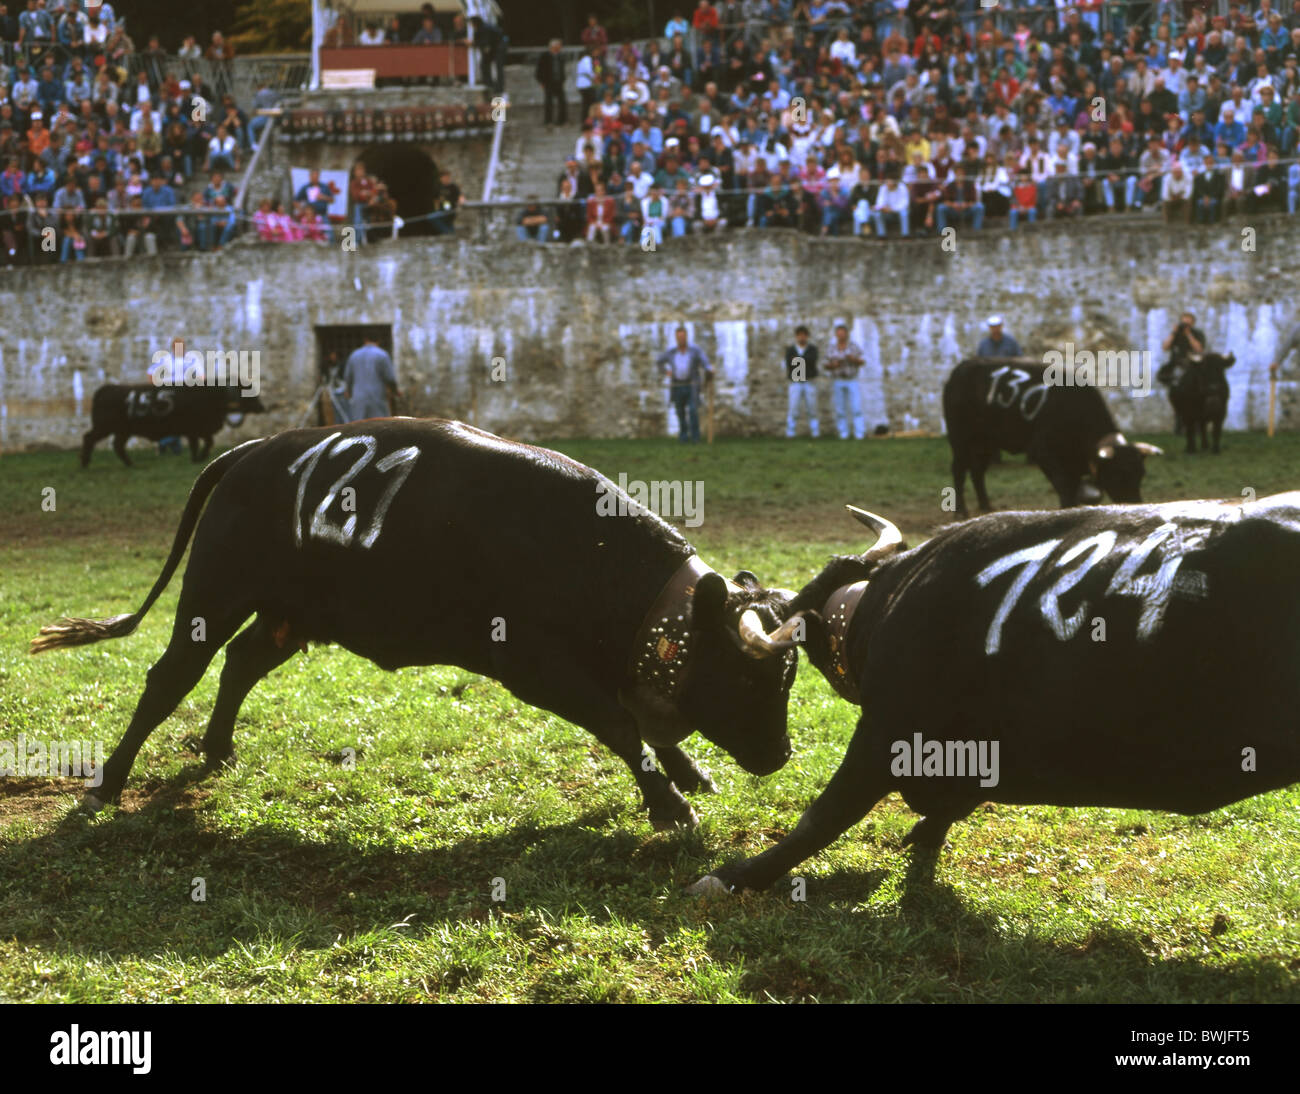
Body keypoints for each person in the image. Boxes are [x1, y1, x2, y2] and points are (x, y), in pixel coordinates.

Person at [655, 326, 712, 443]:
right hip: (677, 385)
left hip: (692, 385)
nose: (681, 339)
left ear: (686, 337)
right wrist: (666, 372)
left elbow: (704, 361)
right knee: (680, 411)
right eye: (678, 337)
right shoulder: (671, 352)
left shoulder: (694, 351)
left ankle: (695, 437)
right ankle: (683, 436)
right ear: (676, 338)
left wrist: (709, 369)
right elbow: (659, 361)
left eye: (683, 336)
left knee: (692, 410)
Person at [343, 335, 399, 421]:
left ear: (365, 340)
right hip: (377, 397)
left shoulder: (354, 355)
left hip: (358, 397)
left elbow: (348, 377)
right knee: (380, 426)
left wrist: (349, 391)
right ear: (378, 341)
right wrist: (395, 391)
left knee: (358, 427)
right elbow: (390, 378)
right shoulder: (382, 355)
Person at [824, 322, 865, 439]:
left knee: (856, 407)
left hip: (852, 379)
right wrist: (834, 365)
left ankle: (859, 433)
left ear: (847, 334)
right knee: (840, 408)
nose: (841, 335)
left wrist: (853, 359)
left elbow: (863, 361)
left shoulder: (853, 346)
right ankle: (843, 433)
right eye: (839, 333)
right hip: (838, 379)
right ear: (836, 335)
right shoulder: (831, 348)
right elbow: (825, 364)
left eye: (843, 333)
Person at [784, 325, 820, 437]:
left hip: (809, 381)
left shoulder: (812, 349)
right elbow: (790, 363)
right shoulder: (791, 350)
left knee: (812, 408)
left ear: (807, 337)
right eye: (799, 335)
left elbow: (811, 361)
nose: (801, 338)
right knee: (793, 408)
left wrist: (799, 360)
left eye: (804, 335)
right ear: (796, 337)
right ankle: (790, 432)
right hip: (796, 382)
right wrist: (803, 360)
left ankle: (815, 432)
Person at [535, 38, 567, 127]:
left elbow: (562, 69)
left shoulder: (560, 56)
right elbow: (539, 70)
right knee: (548, 102)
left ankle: (562, 120)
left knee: (562, 101)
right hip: (548, 82)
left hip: (559, 82)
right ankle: (548, 120)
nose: (559, 48)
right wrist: (541, 81)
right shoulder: (545, 56)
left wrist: (563, 79)